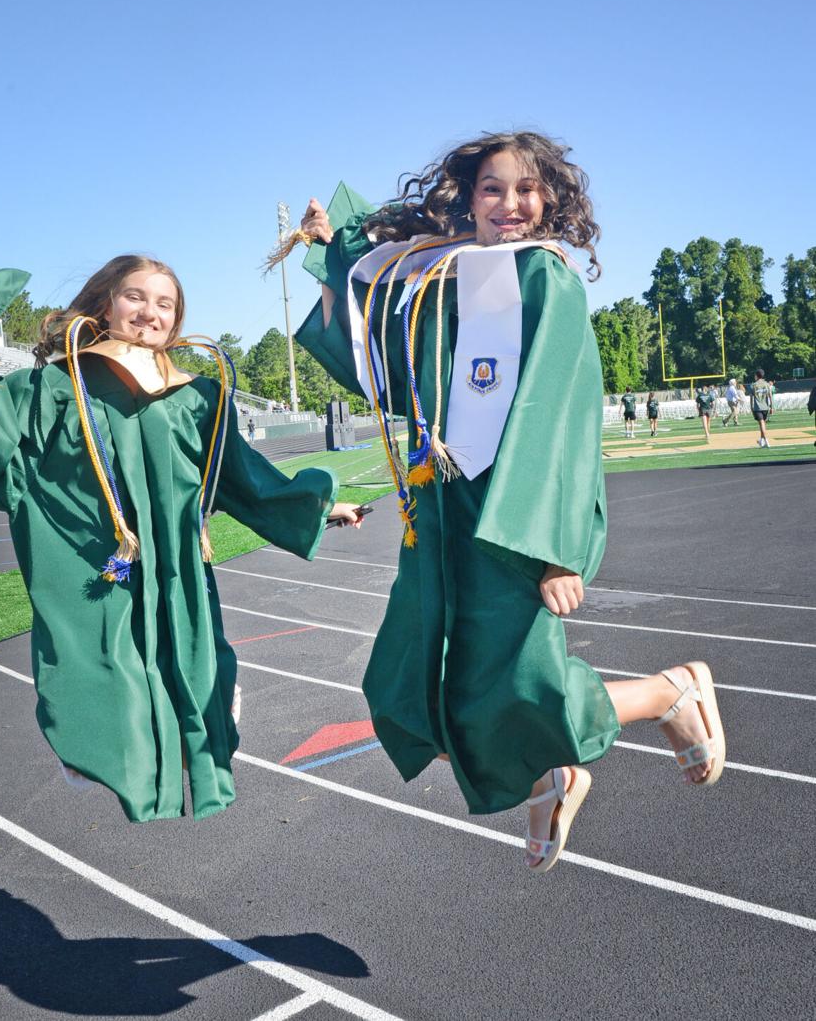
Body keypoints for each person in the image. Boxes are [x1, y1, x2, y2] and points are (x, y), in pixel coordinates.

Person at [293, 131, 725, 872]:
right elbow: (389, 369)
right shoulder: (440, 278)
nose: (510, 205)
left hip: (512, 518)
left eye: (527, 189)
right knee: (408, 683)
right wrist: (337, 256)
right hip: (440, 510)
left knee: (520, 678)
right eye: (492, 189)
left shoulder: (543, 279)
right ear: (468, 198)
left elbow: (559, 413)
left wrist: (557, 548)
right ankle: (549, 775)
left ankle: (667, 694)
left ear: (551, 199)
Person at [0, 254, 363, 823]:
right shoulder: (53, 387)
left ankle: (182, 773)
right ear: (106, 303)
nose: (149, 312)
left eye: (164, 304)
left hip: (176, 570)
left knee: (200, 675)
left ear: (176, 321)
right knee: (104, 678)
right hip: (103, 565)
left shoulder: (197, 397)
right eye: (135, 297)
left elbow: (242, 478)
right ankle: (104, 760)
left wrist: (321, 510)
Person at [749, 369, 774, 447]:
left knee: (762, 423)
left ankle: (766, 439)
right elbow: (770, 396)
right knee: (763, 424)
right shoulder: (767, 384)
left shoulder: (754, 385)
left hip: (758, 408)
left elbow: (751, 398)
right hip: (765, 407)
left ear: (756, 376)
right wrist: (772, 407)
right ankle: (761, 440)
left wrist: (751, 408)